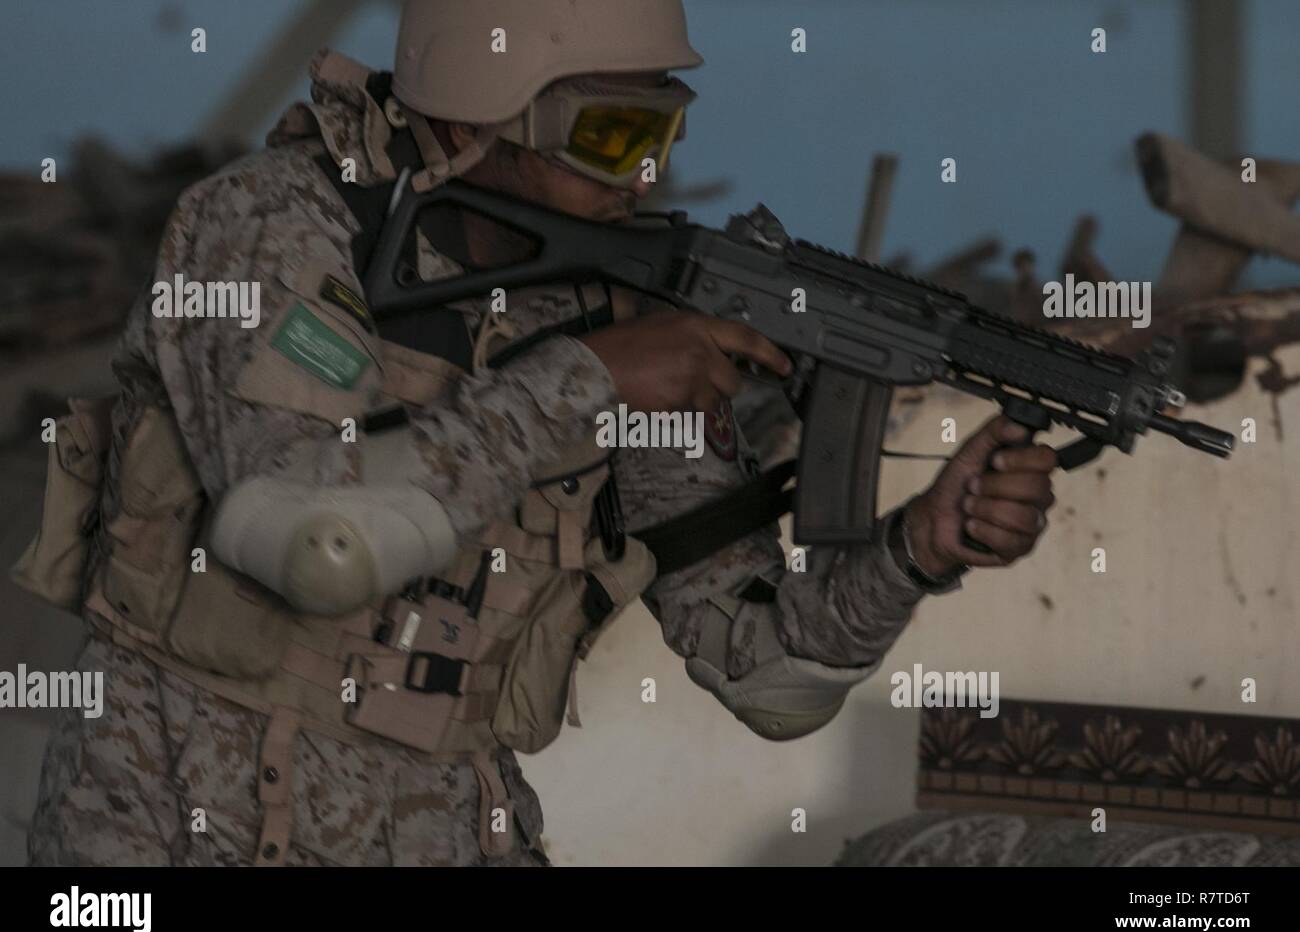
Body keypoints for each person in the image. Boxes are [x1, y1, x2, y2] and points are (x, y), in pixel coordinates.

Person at [23, 0, 1056, 866]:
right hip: (178, 815)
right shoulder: (275, 227)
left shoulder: (610, 305)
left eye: (661, 135)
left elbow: (768, 674)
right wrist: (586, 379)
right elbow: (313, 545)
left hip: (453, 826)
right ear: (484, 111)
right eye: (612, 135)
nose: (645, 177)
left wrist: (916, 552)